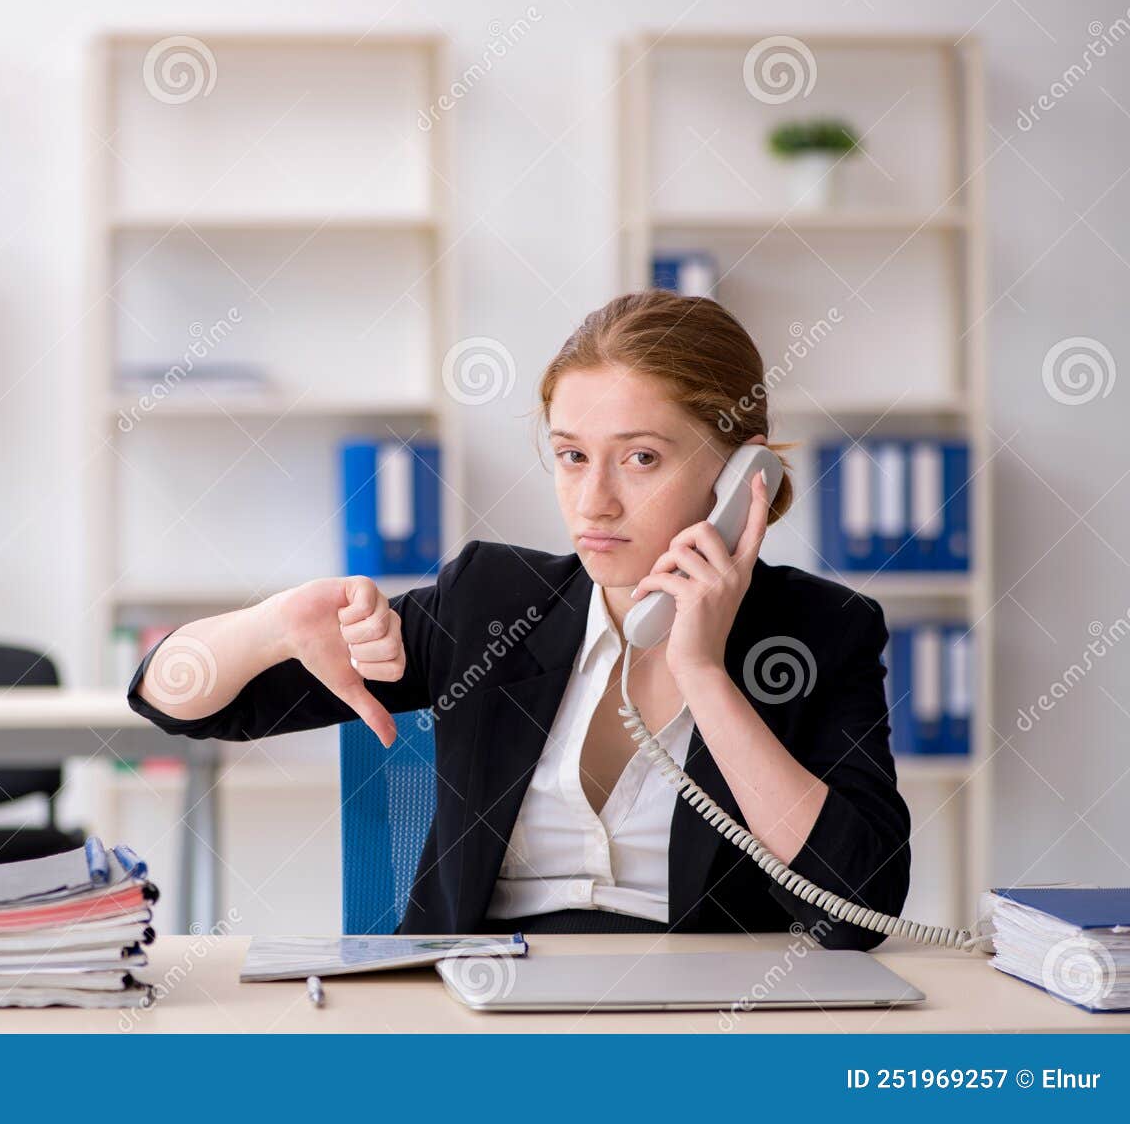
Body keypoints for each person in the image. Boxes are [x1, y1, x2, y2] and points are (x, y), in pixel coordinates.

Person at [127, 289, 911, 950]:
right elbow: (178, 702)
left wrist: (703, 673)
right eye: (572, 456)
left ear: (744, 475)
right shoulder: (493, 604)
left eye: (641, 458)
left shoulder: (819, 631)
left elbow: (858, 908)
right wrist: (269, 625)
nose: (594, 501)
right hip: (477, 1017)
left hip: (703, 1031)